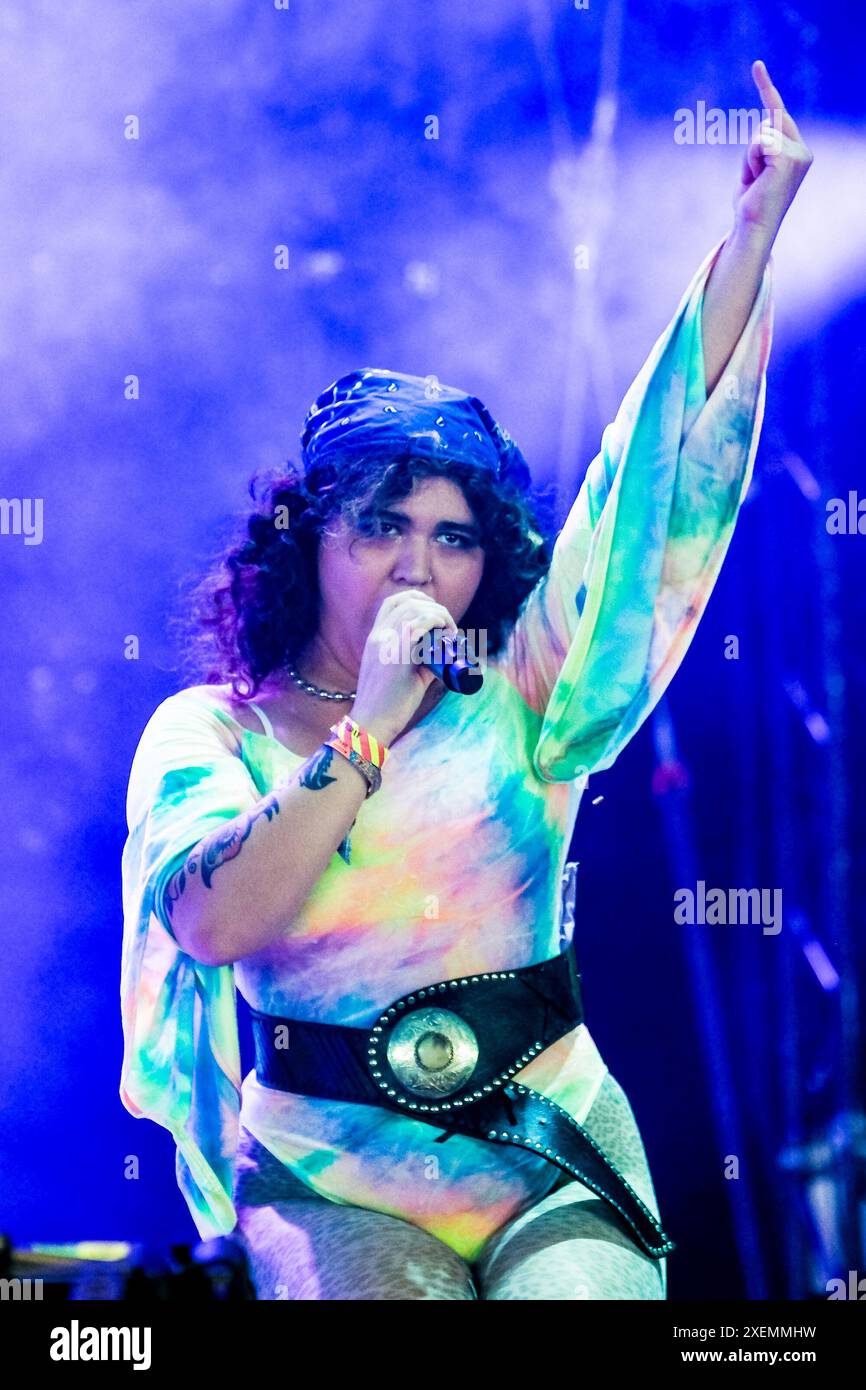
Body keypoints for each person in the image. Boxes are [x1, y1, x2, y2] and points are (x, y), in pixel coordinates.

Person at [119, 61, 811, 1299]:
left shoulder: (528, 688)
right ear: (308, 539)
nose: (418, 565)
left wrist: (750, 238)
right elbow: (214, 923)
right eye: (382, 527)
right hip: (330, 1174)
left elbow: (639, 494)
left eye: (453, 537)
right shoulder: (209, 732)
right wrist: (372, 723)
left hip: (541, 1147)